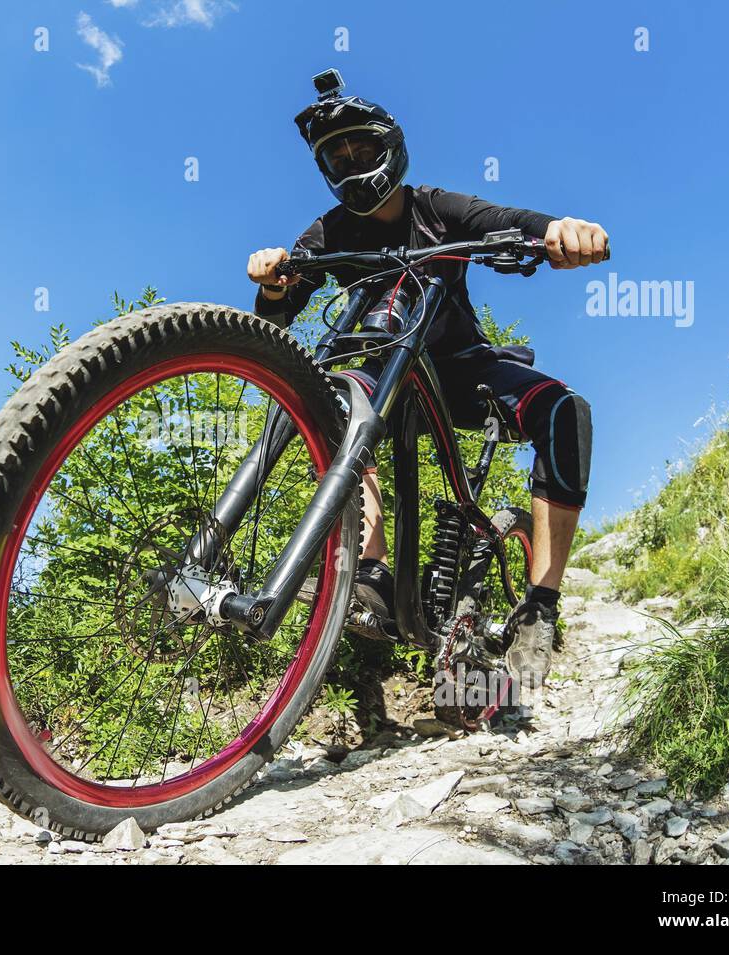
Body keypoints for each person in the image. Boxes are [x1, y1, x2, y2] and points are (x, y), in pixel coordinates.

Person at [246, 71, 607, 694]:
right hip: (382, 365)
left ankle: (540, 606)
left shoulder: (437, 209)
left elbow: (514, 221)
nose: (353, 163)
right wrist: (273, 280)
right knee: (330, 399)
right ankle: (374, 572)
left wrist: (562, 231)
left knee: (563, 410)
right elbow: (276, 313)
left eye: (362, 148)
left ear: (390, 147)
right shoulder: (329, 232)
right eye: (338, 156)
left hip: (460, 371)